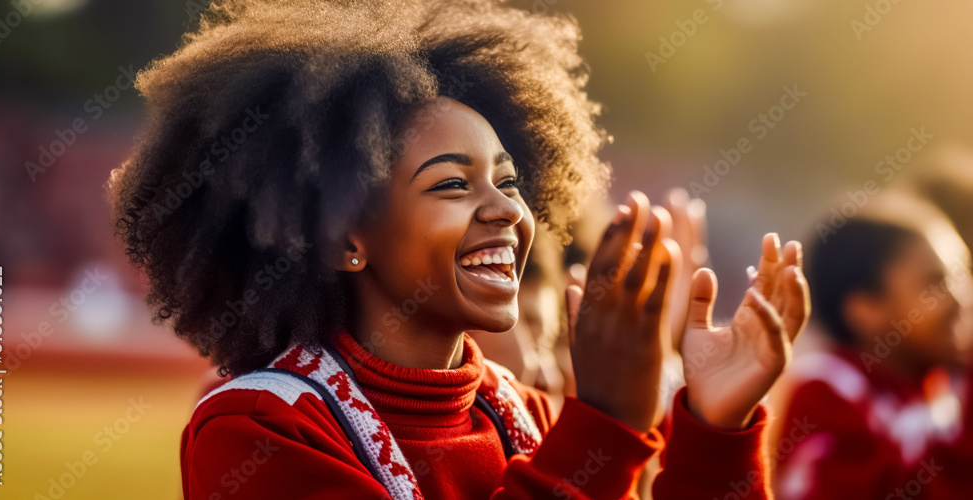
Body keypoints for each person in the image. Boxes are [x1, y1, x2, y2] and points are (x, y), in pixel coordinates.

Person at [107, 0, 810, 498]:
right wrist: (602, 426)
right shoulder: (257, 428)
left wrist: (716, 429)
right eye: (452, 185)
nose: (507, 211)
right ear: (344, 240)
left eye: (508, 182)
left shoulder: (527, 417)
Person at [776, 193, 973, 499]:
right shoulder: (828, 389)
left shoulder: (940, 390)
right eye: (934, 283)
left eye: (962, 277)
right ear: (865, 310)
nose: (961, 299)